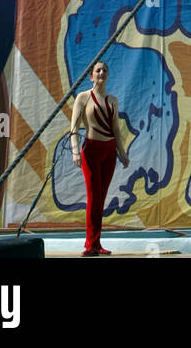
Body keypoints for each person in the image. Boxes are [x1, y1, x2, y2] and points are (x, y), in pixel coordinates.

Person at [70, 59, 129, 257]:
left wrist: (122, 152)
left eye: (104, 70)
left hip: (109, 151)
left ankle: (96, 243)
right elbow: (74, 128)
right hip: (91, 150)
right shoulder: (83, 97)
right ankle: (90, 244)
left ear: (108, 75)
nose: (101, 73)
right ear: (91, 75)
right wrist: (75, 151)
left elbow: (116, 129)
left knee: (101, 198)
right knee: (93, 197)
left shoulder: (113, 100)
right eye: (97, 70)